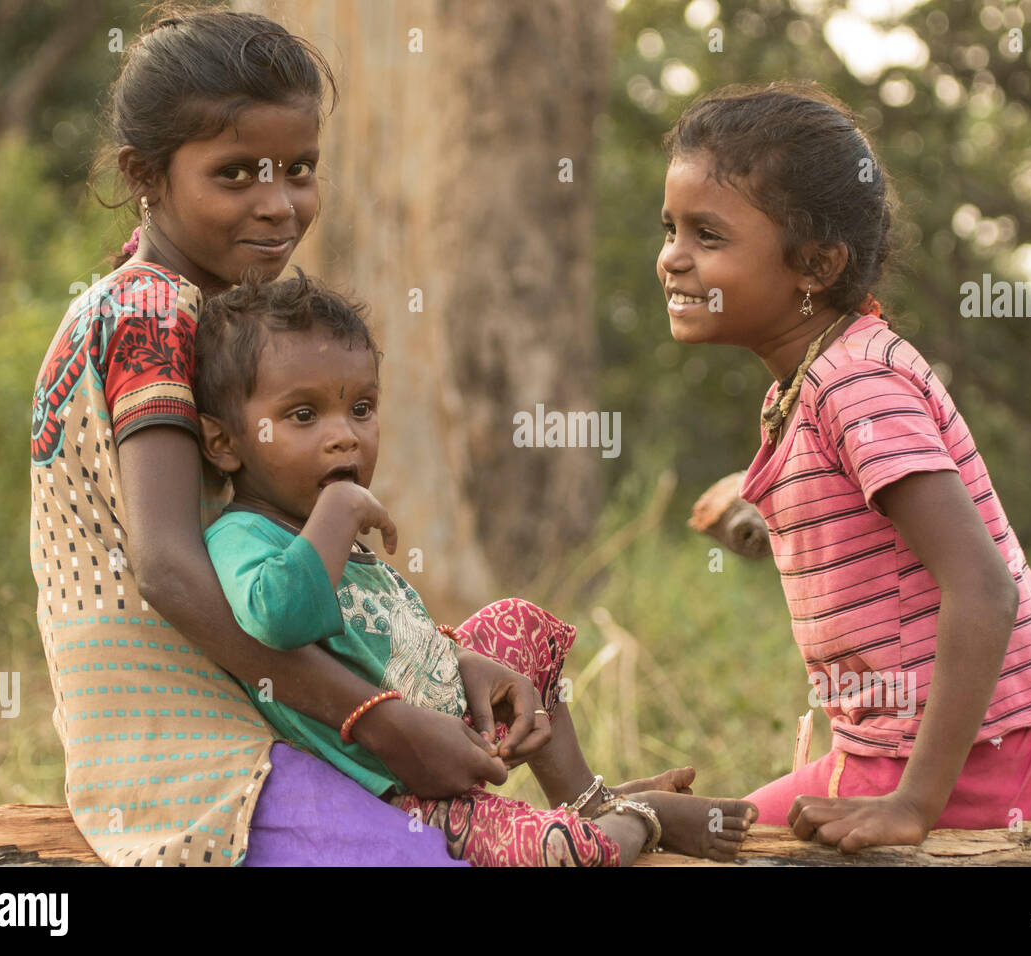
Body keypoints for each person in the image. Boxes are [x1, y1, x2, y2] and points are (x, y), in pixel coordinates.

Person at [31, 6, 530, 867]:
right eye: (235, 175)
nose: (279, 204)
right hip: (189, 756)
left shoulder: (209, 315)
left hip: (270, 716)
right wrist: (379, 723)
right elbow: (170, 572)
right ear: (145, 175)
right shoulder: (147, 310)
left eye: (301, 169)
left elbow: (274, 563)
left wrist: (436, 666)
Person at [656, 80, 1031, 852]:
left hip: (993, 760)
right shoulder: (812, 380)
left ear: (815, 264)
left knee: (702, 842)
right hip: (929, 749)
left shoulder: (853, 383)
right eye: (670, 229)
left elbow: (982, 585)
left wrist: (914, 805)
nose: (673, 260)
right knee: (700, 829)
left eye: (707, 236)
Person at [191, 270, 759, 865]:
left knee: (518, 620)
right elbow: (279, 619)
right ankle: (640, 820)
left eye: (360, 408)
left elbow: (391, 639)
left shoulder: (325, 522)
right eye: (303, 415)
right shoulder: (240, 535)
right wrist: (340, 508)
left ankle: (587, 795)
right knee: (561, 853)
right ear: (224, 443)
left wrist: (463, 660)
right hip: (406, 791)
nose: (345, 438)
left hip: (453, 715)